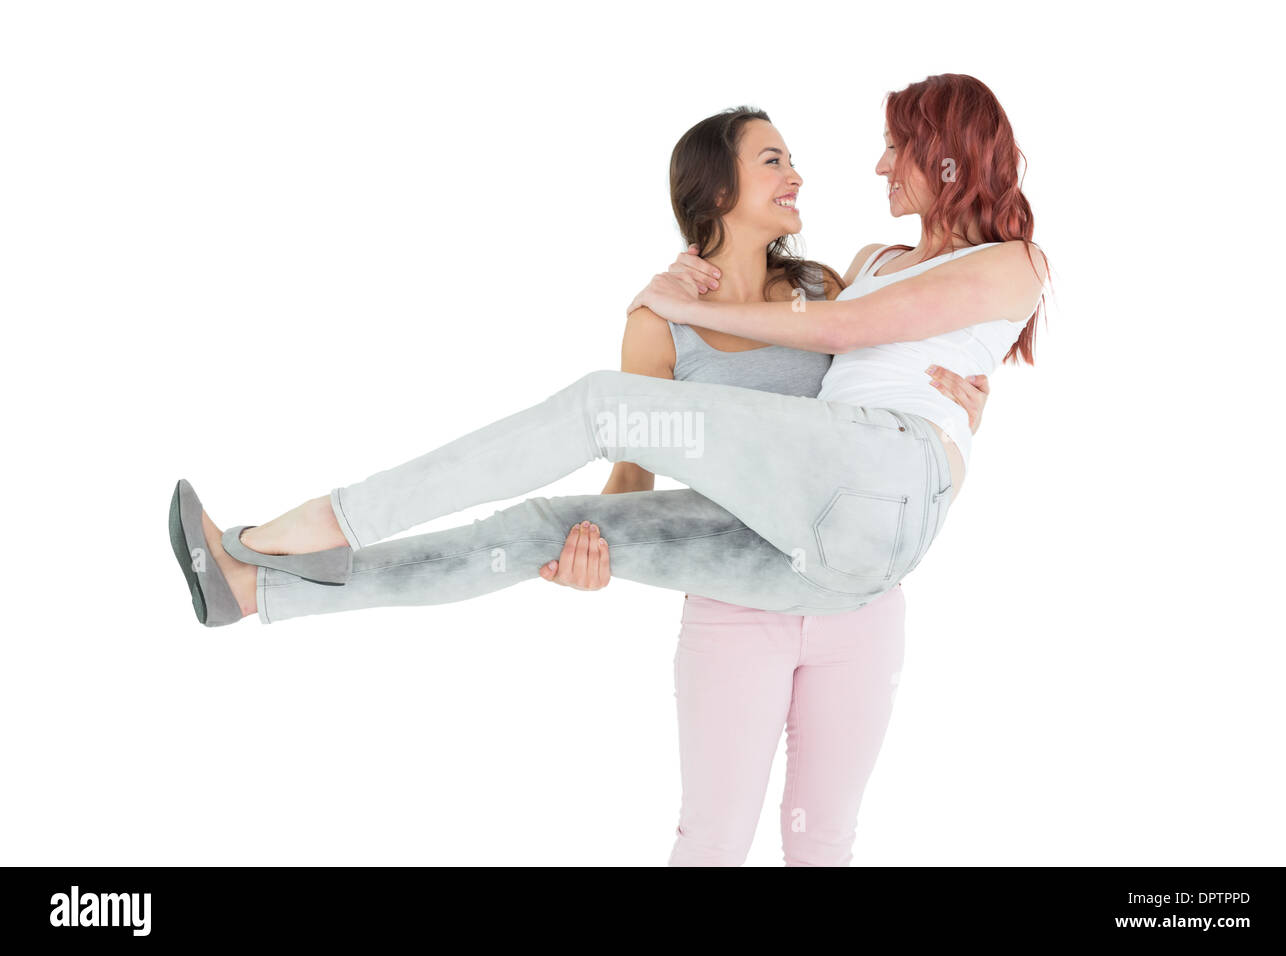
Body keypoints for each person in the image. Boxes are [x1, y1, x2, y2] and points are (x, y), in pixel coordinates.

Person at [169, 73, 1049, 636]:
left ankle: (320, 522)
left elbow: (854, 341)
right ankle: (254, 593)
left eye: (898, 146)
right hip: (824, 555)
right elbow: (865, 364)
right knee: (534, 529)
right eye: (774, 160)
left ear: (945, 160)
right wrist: (596, 543)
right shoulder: (864, 270)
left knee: (597, 401)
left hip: (880, 491)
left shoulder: (965, 269)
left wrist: (960, 431)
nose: (872, 166)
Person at [530, 107, 991, 866]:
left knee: (825, 840)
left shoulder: (827, 290)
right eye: (773, 160)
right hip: (735, 605)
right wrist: (595, 547)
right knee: (713, 839)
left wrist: (965, 410)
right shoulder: (660, 323)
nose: (796, 175)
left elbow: (896, 410)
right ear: (715, 190)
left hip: (857, 604)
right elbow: (633, 467)